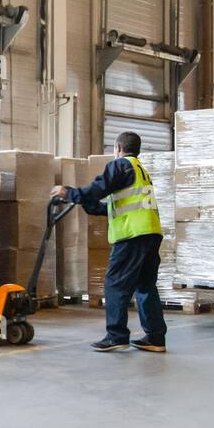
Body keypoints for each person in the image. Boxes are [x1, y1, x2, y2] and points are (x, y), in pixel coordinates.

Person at [53, 131, 167, 353]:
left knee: (115, 283)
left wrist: (70, 193)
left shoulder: (120, 165)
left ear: (117, 148)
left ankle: (117, 335)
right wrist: (84, 202)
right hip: (150, 233)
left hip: (132, 235)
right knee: (145, 286)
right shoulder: (140, 170)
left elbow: (99, 187)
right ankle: (155, 338)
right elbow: (114, 206)